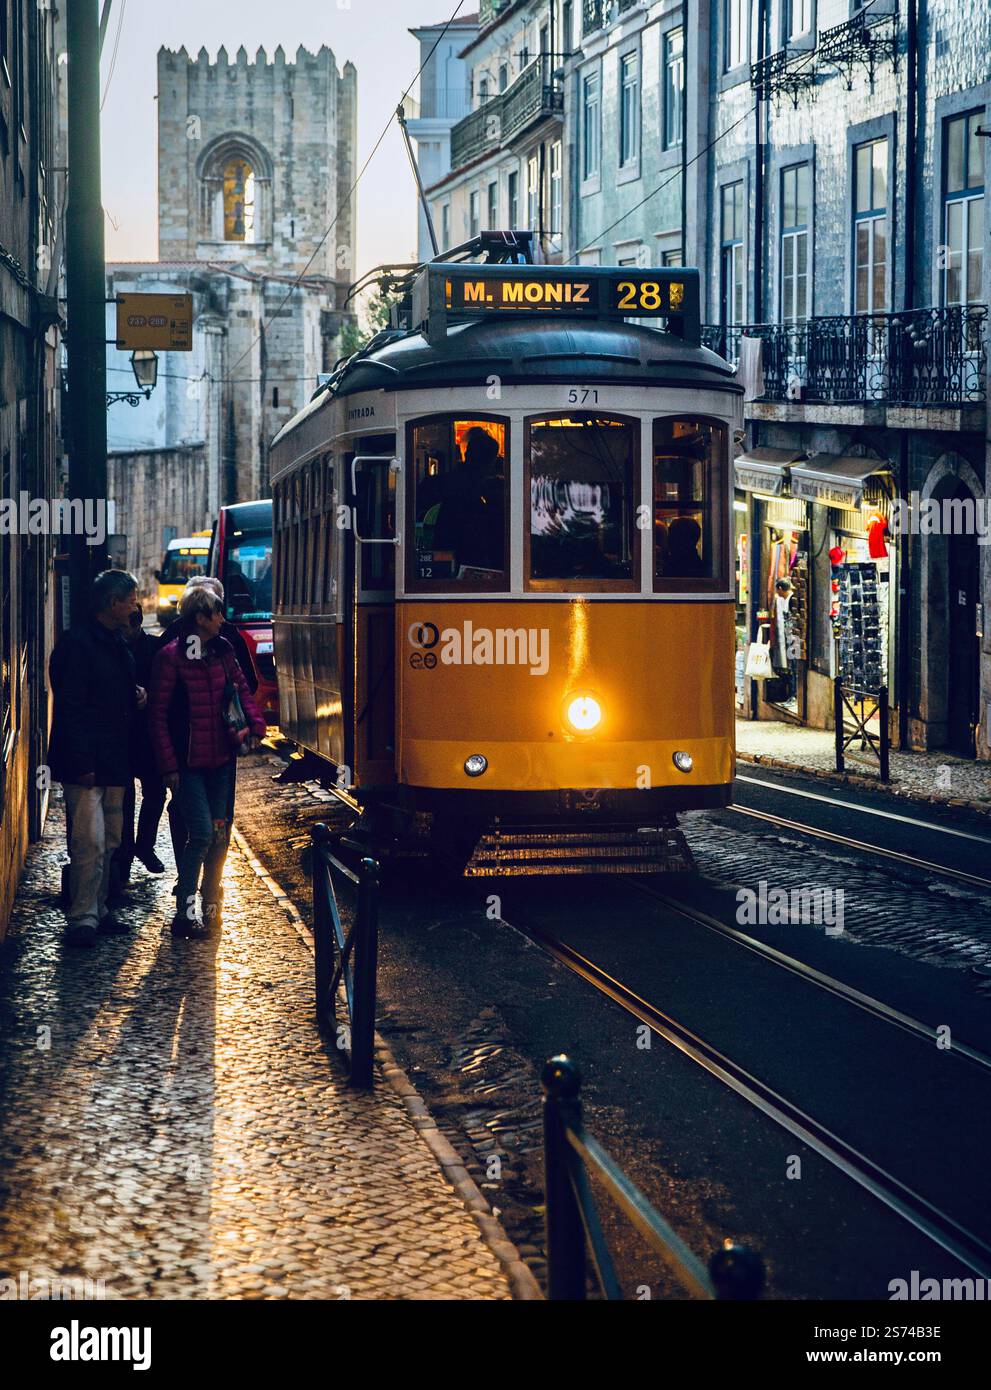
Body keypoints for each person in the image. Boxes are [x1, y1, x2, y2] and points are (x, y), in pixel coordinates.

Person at [149, 584, 266, 939]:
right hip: (188, 765)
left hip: (221, 762)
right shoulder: (170, 657)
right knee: (200, 835)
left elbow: (240, 690)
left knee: (220, 836)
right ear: (200, 617)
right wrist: (168, 767)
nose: (222, 619)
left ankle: (212, 908)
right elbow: (158, 716)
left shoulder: (223, 649)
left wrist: (256, 723)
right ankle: (184, 914)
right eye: (217, 613)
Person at [48, 570, 145, 947]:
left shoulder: (115, 641)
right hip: (88, 763)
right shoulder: (78, 645)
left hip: (114, 760)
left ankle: (100, 909)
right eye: (132, 599)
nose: (136, 606)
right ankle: (82, 917)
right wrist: (83, 760)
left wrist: (135, 694)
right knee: (89, 841)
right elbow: (72, 707)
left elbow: (111, 692)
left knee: (111, 840)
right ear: (113, 603)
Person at [112, 609, 168, 893]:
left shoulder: (155, 648)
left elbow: (167, 689)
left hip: (148, 736)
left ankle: (144, 847)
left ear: (135, 625)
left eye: (126, 627)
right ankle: (123, 859)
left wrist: (149, 696)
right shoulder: (111, 648)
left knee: (155, 793)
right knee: (124, 799)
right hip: (121, 737)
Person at [432, 426, 505, 573]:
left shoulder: (442, 483)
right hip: (479, 562)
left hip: (448, 565)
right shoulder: (490, 490)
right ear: (490, 462)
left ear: (466, 453)